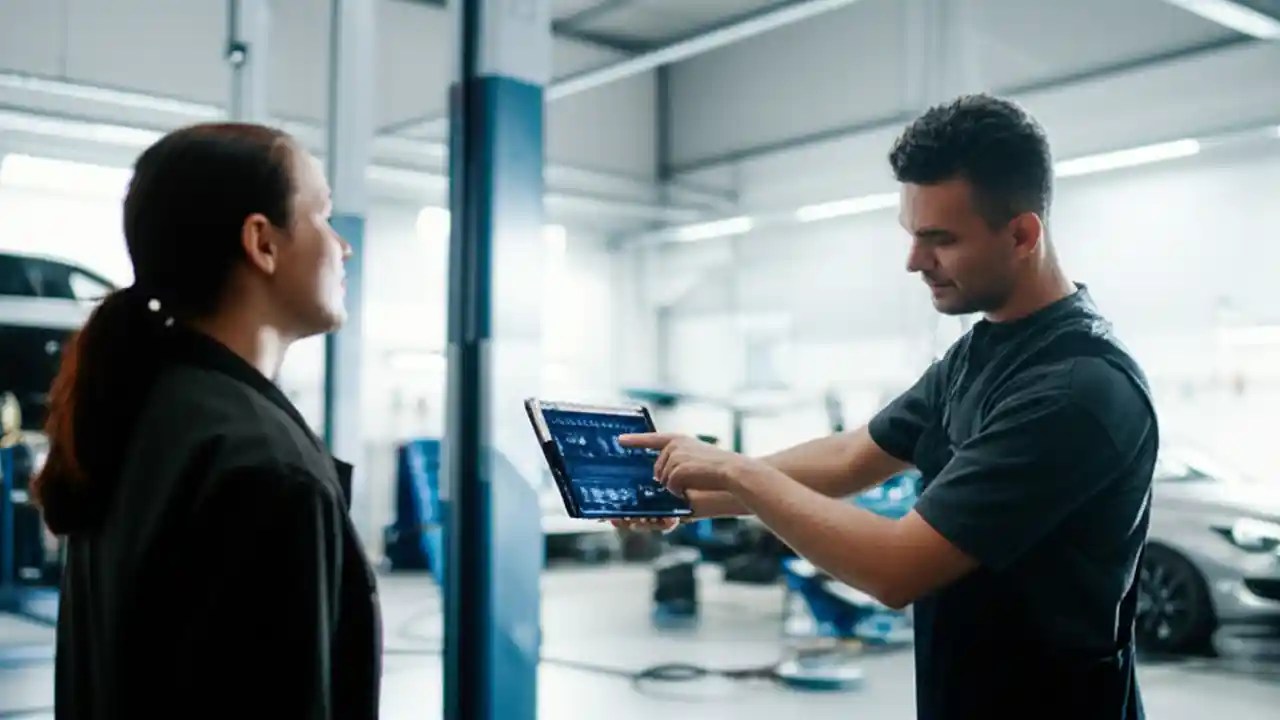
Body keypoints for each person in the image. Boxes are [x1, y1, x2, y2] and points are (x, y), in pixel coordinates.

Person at [618, 95, 1157, 719]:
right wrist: (687, 497)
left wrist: (737, 471)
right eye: (912, 235)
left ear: (1022, 234)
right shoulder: (980, 352)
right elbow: (852, 456)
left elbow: (895, 567)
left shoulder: (1075, 391)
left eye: (940, 240)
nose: (913, 261)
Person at [32, 124, 382, 719]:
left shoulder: (136, 410)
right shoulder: (268, 469)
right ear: (261, 242)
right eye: (322, 216)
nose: (342, 246)